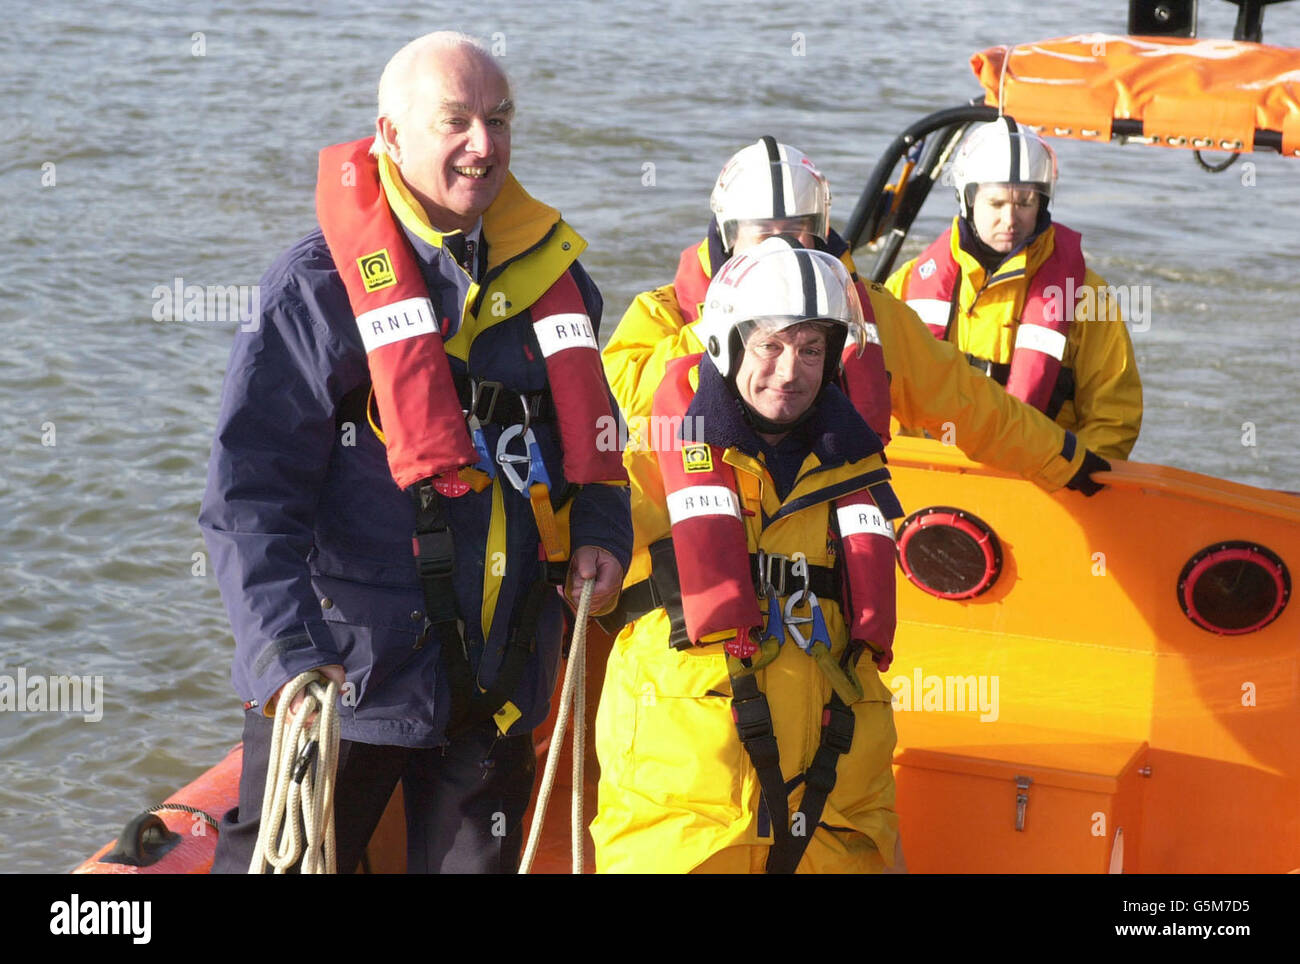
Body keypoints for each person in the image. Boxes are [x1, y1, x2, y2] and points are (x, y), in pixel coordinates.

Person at [198, 31, 631, 874]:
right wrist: (287, 655)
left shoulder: (554, 282)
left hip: (497, 673)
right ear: (390, 136)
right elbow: (248, 498)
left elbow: (594, 438)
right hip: (349, 679)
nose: (483, 145)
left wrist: (604, 530)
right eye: (456, 122)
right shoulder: (314, 288)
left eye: (498, 120)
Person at [591, 237, 905, 873]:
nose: (791, 372)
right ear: (726, 344)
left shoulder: (857, 473)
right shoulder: (646, 465)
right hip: (691, 813)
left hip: (832, 801)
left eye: (812, 349)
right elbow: (558, 535)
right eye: (771, 346)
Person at [604, 135, 1114, 494]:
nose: (782, 247)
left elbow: (967, 403)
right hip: (715, 513)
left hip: (822, 521)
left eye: (797, 230)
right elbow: (626, 404)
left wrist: (1063, 459)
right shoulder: (664, 314)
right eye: (765, 234)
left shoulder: (872, 313)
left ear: (821, 231)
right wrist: (722, 317)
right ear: (728, 235)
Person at [885, 117, 1143, 460]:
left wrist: (1069, 472)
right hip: (932, 479)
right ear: (968, 199)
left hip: (1036, 483)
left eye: (1024, 203)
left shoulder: (1086, 297)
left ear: (1042, 204)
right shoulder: (906, 284)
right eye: (996, 204)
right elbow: (874, 389)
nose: (1010, 219)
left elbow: (1113, 417)